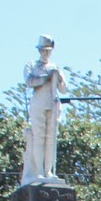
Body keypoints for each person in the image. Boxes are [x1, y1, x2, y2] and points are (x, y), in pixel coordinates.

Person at [21, 35, 67, 185]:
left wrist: (59, 77)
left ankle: (49, 171)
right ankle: (39, 171)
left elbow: (64, 89)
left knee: (51, 138)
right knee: (39, 137)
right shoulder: (32, 65)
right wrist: (46, 77)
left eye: (48, 50)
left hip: (52, 103)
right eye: (43, 50)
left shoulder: (55, 67)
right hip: (39, 103)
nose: (45, 53)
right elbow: (30, 82)